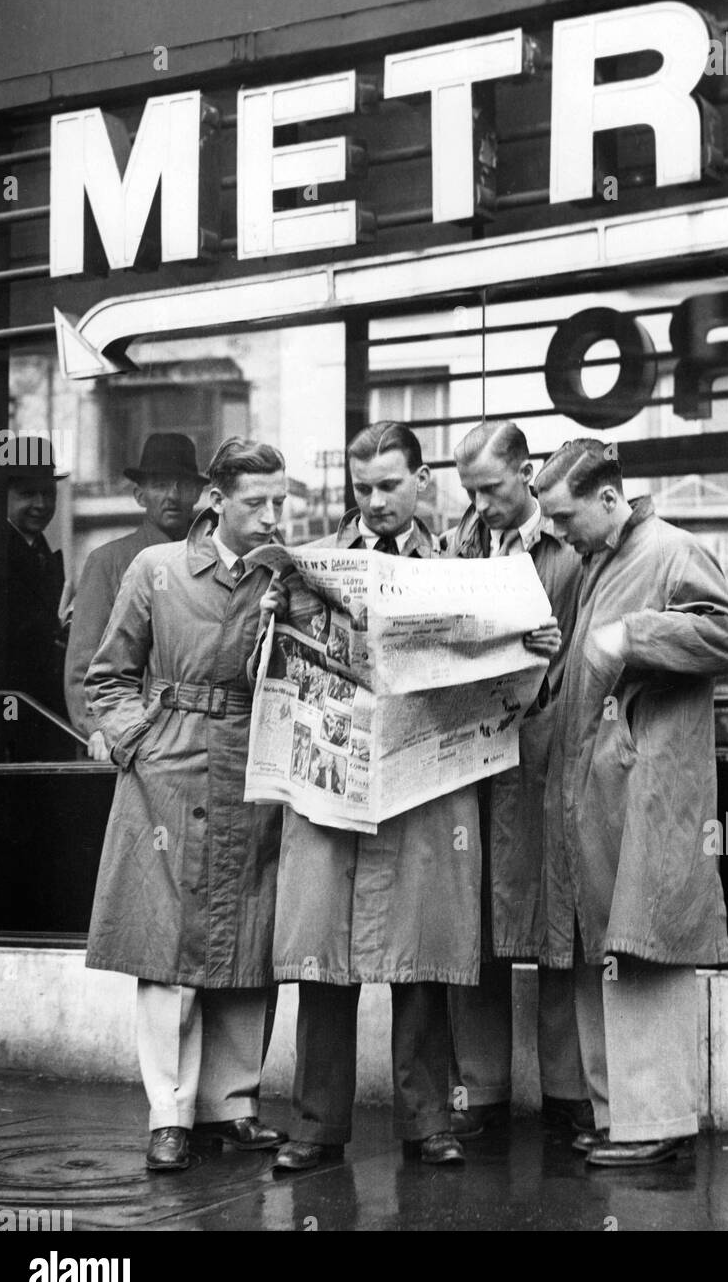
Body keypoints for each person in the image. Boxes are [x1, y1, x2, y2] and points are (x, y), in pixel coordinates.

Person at [265, 420, 559, 1171]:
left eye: (389, 485)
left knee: (421, 955)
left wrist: (530, 650)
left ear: (421, 480)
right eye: (362, 489)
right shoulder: (313, 565)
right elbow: (261, 677)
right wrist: (273, 628)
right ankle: (314, 1127)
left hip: (425, 785)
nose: (375, 502)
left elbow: (509, 691)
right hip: (335, 783)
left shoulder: (463, 562)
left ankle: (430, 1120)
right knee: (321, 958)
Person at [534, 439, 728, 1167]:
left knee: (646, 942)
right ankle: (622, 1117)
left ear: (606, 498)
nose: (561, 534)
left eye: (566, 517)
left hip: (649, 782)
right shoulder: (600, 559)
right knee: (612, 946)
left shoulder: (670, 548)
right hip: (604, 783)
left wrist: (634, 634)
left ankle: (656, 1123)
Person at [84, 437, 289, 1172]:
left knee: (246, 938)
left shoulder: (287, 577)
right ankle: (168, 1112)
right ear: (216, 499)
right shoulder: (156, 570)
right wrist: (138, 740)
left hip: (251, 767)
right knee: (166, 947)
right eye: (255, 503)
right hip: (167, 771)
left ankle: (232, 1108)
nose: (270, 516)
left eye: (279, 502)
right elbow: (106, 677)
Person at [443, 421, 592, 1138]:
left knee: (555, 923)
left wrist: (560, 646)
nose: (481, 505)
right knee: (474, 934)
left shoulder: (570, 546)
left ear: (526, 473)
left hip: (544, 753)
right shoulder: (458, 543)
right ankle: (483, 1094)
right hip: (473, 756)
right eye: (468, 492)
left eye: (492, 489)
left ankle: (568, 1098)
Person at [65, 433, 206, 758]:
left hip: (193, 742)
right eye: (159, 485)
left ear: (198, 493)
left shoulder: (209, 560)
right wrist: (98, 728)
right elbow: (81, 666)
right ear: (140, 495)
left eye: (183, 485)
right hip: (128, 738)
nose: (172, 495)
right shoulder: (108, 561)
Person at [4, 436, 73, 760]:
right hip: (10, 713)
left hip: (45, 713)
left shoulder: (43, 553)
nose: (41, 504)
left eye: (48, 493)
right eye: (28, 494)